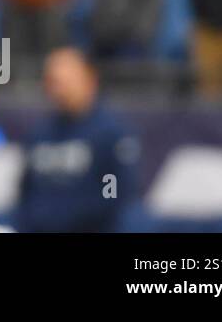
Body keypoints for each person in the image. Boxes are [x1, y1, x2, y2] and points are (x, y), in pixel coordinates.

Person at [14, 48, 139, 233]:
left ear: (90, 80)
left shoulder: (110, 135)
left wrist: (68, 217)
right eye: (53, 82)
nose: (59, 90)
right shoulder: (40, 135)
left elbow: (114, 194)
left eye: (67, 81)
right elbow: (26, 191)